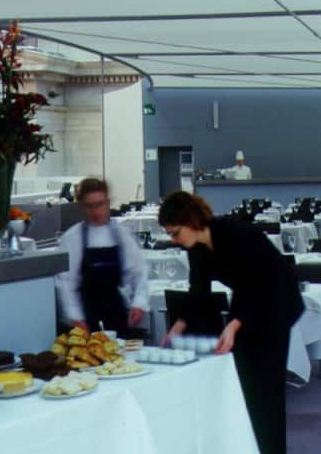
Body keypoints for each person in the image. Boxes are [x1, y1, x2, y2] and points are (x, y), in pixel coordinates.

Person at [160, 191, 303, 453]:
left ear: (190, 221)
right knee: (246, 383)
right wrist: (178, 325)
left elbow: (260, 283)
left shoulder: (234, 232)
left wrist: (235, 324)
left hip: (277, 301)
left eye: (175, 232)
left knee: (266, 388)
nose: (174, 240)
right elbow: (198, 290)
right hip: (249, 300)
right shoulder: (197, 248)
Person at [55, 178, 149, 338]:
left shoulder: (121, 234)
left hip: (117, 314)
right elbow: (66, 284)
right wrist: (76, 318)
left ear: (108, 203)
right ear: (81, 207)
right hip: (85, 317)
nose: (95, 211)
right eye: (89, 206)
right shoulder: (72, 238)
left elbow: (139, 273)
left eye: (99, 204)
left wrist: (139, 304)